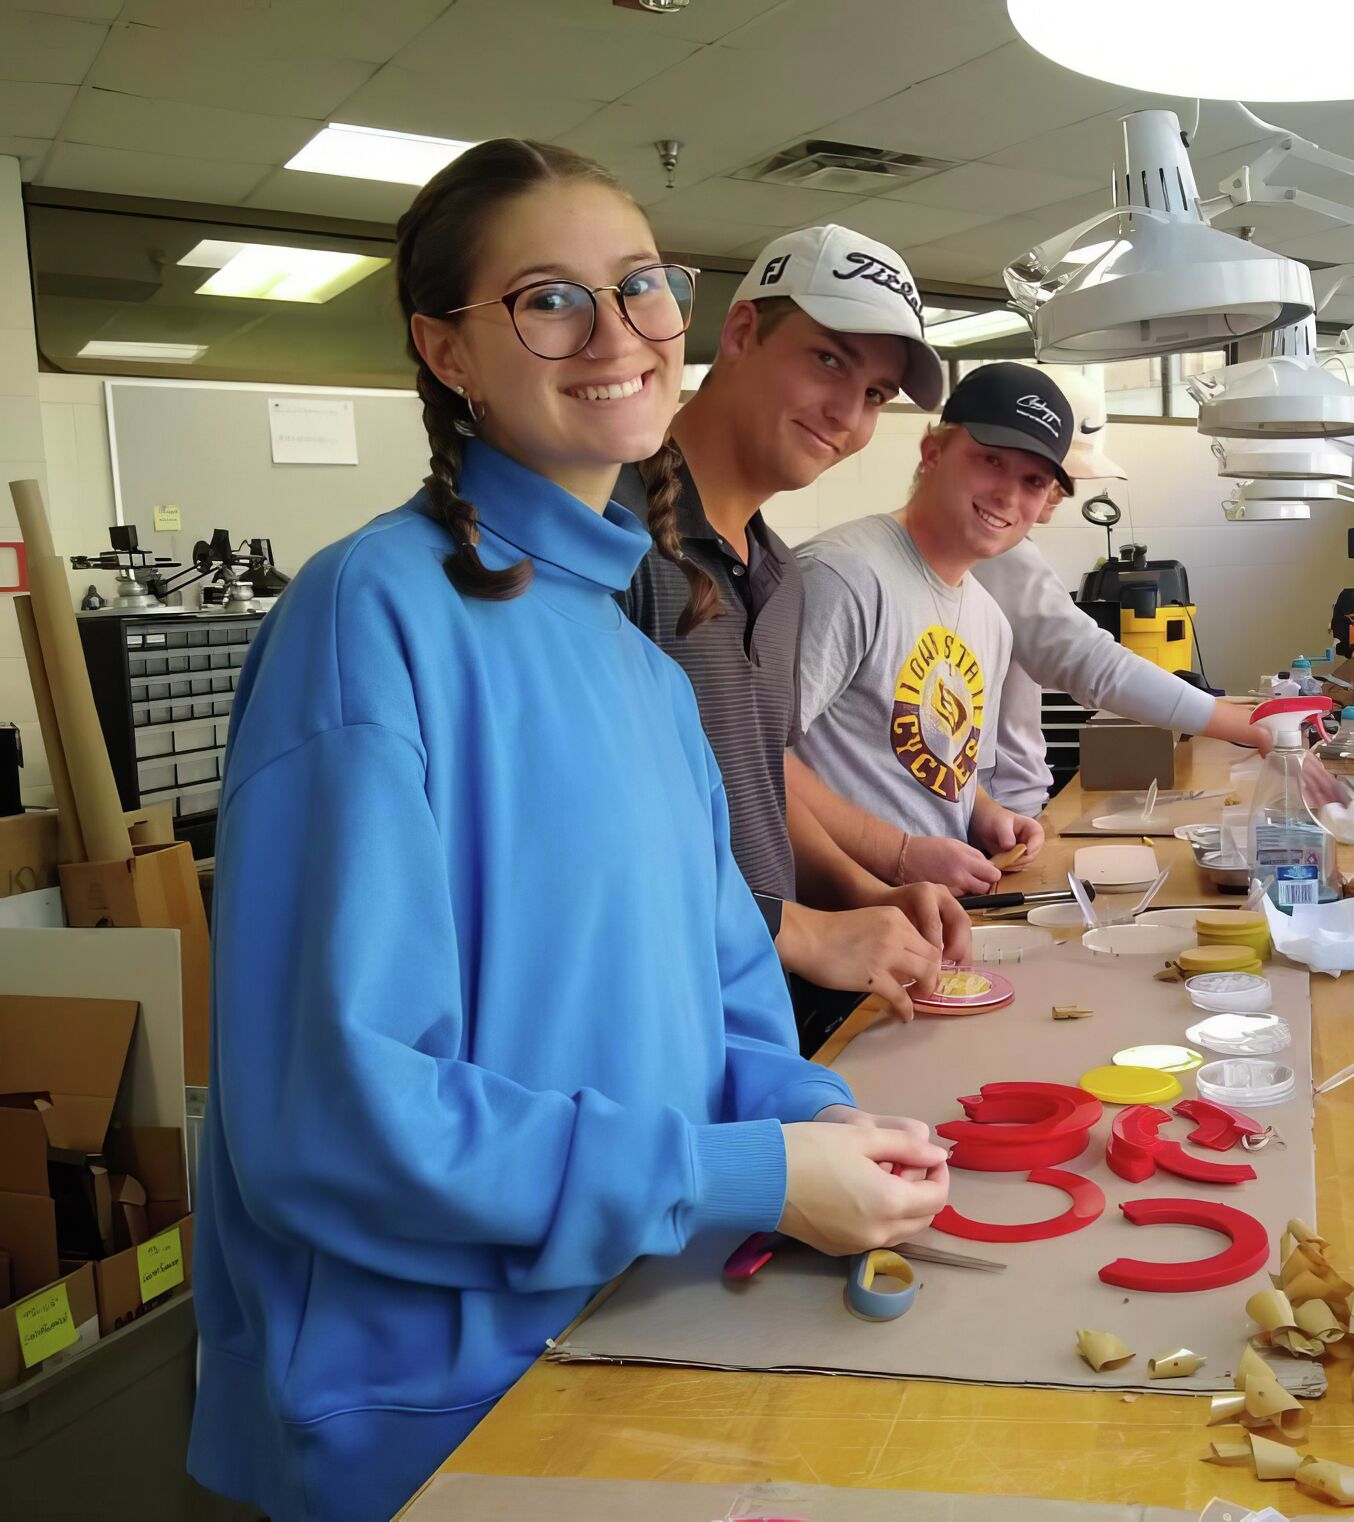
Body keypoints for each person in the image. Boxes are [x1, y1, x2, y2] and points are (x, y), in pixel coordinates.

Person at [188, 141, 947, 1522]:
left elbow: (722, 1016)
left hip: (639, 1322)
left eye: (641, 286)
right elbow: (340, 1115)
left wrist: (829, 1127)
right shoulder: (370, 619)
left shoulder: (644, 666)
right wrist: (751, 1173)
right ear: (447, 349)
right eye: (550, 298)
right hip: (437, 1406)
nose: (616, 334)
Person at [614, 224, 975, 1042]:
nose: (848, 412)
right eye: (828, 360)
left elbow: (757, 781)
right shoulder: (613, 541)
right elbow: (594, 841)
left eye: (877, 394)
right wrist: (804, 929)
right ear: (741, 333)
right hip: (656, 1027)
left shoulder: (778, 575)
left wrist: (865, 893)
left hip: (761, 1019)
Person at [791, 362, 1068, 868]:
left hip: (932, 920)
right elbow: (751, 761)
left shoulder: (991, 622)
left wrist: (987, 815)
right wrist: (901, 855)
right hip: (839, 925)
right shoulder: (842, 576)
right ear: (932, 452)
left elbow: (952, 778)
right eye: (990, 460)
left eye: (1033, 480)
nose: (1009, 495)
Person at [976, 365, 1274, 817]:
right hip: (998, 811)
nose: (1055, 500)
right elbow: (1096, 666)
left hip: (996, 810)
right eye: (1047, 480)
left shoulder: (992, 553)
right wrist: (1248, 725)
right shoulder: (999, 553)